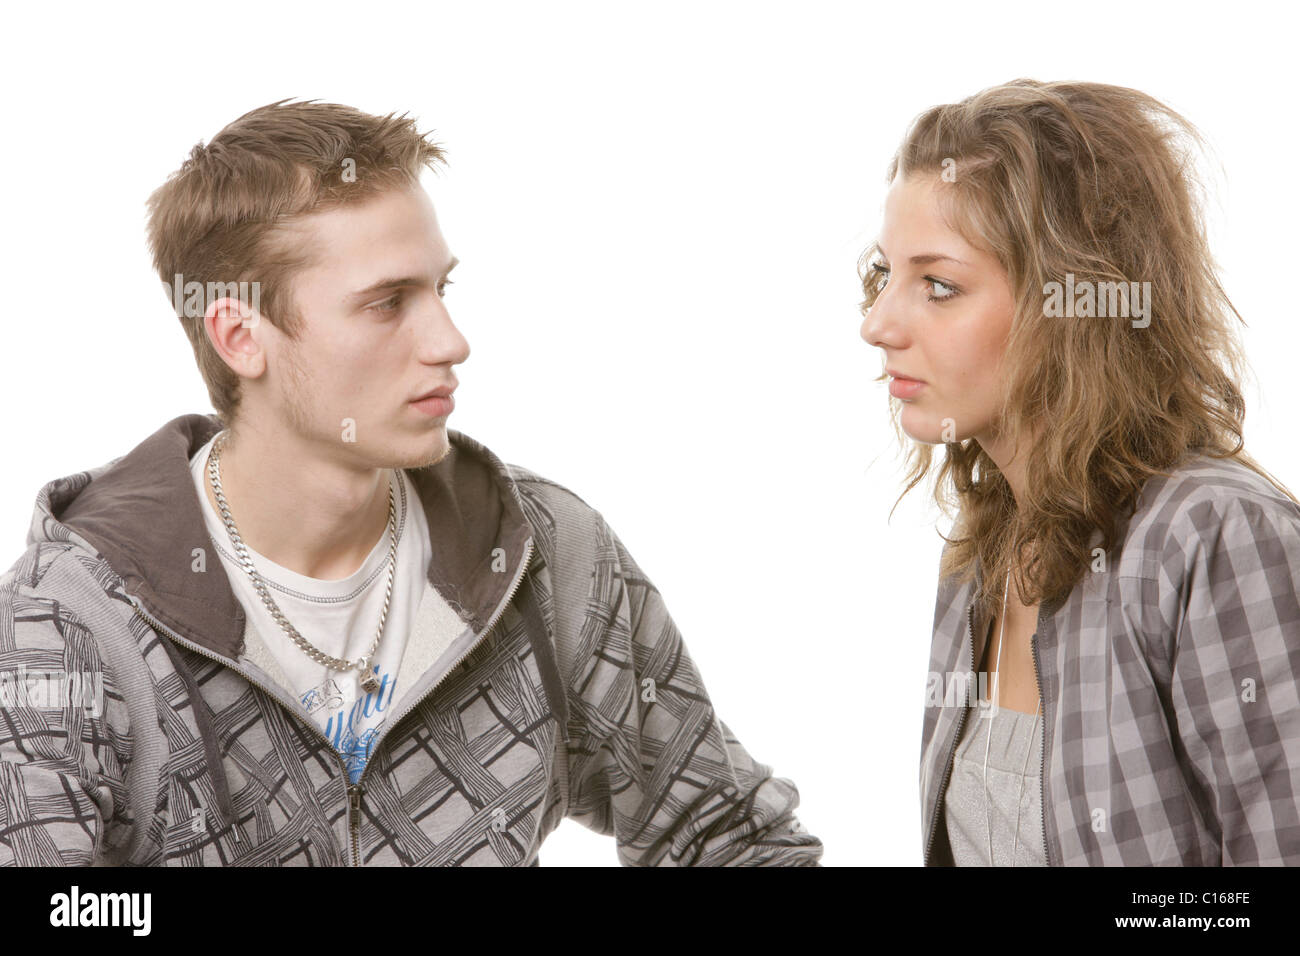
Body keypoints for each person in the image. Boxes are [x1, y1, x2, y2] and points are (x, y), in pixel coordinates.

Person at [0, 98, 821, 867]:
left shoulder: (541, 551)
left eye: (442, 288)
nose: (451, 341)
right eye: (388, 303)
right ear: (241, 336)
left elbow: (728, 837)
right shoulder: (67, 625)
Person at [858, 79, 1300, 866]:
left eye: (939, 285)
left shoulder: (1216, 537)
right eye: (882, 275)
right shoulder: (979, 553)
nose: (878, 323)